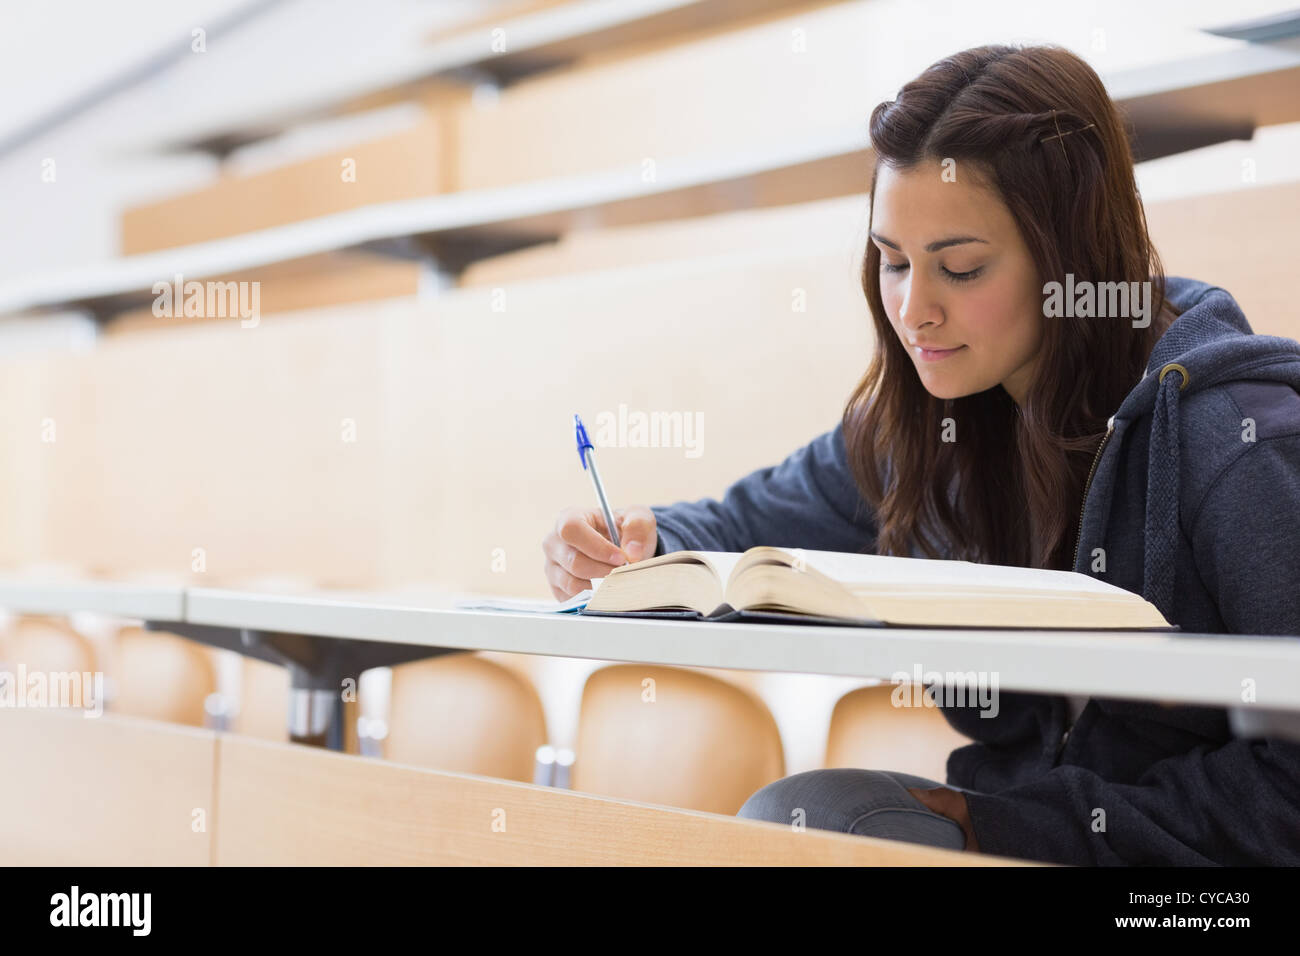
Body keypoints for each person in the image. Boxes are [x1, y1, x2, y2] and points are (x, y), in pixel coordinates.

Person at [541, 44, 1300, 866]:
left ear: (1070, 256)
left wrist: (1012, 826)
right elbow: (740, 527)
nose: (913, 310)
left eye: (961, 268)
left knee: (816, 814)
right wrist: (634, 544)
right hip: (1036, 838)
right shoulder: (928, 432)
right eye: (893, 261)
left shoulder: (1238, 442)